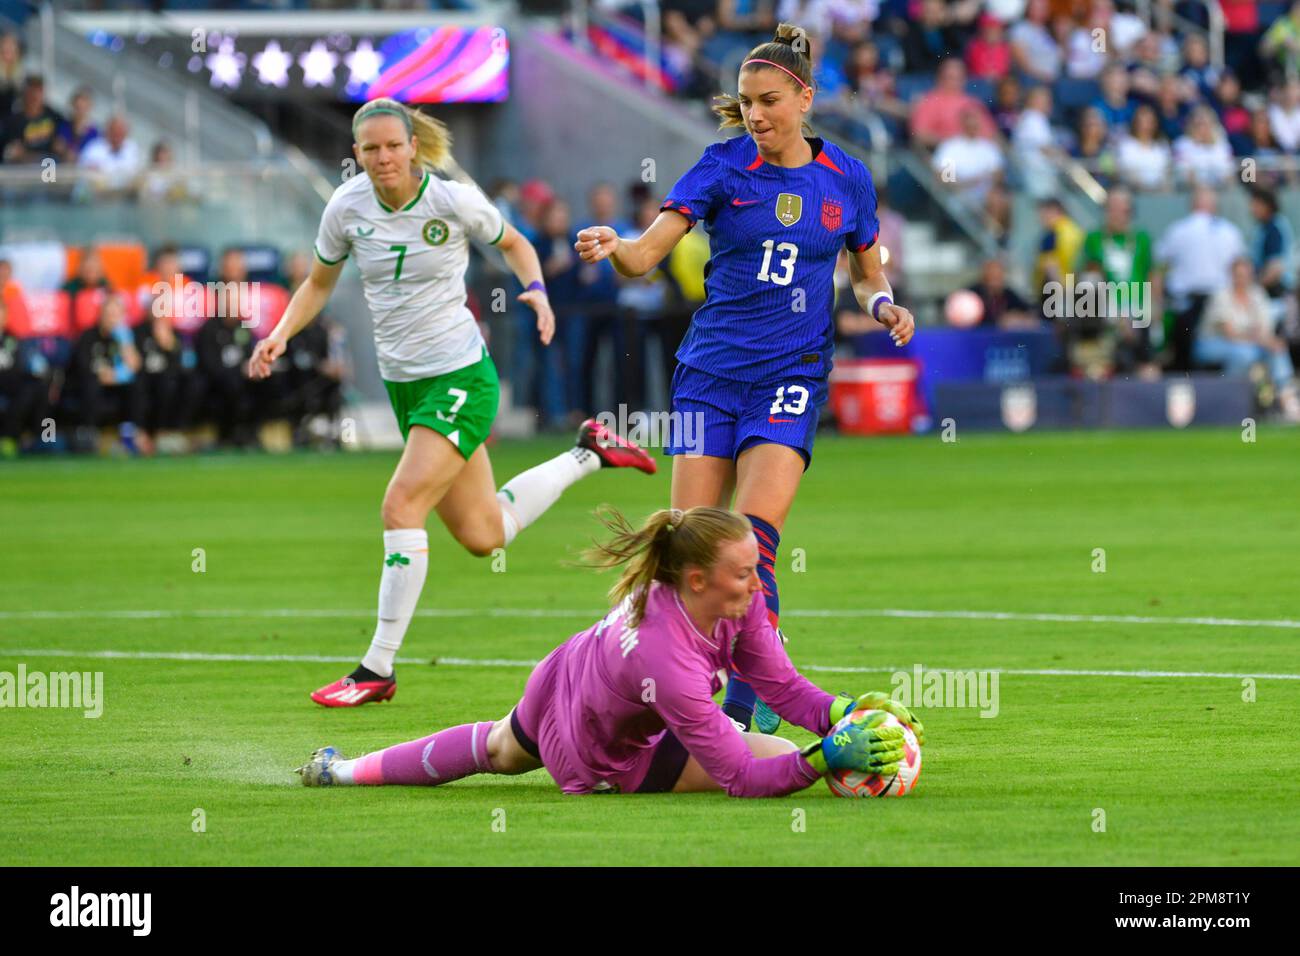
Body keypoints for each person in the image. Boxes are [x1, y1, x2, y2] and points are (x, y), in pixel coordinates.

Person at [247, 97, 657, 708]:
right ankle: (591, 452)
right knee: (484, 534)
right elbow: (320, 282)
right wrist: (281, 331)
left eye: (393, 145)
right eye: (370, 149)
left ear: (413, 146)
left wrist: (539, 294)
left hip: (461, 376)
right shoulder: (345, 207)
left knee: (400, 505)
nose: (383, 157)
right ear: (355, 155)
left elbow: (517, 243)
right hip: (406, 384)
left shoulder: (450, 199)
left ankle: (376, 669)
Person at [575, 24, 915, 733]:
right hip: (708, 377)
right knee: (688, 557)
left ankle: (747, 707)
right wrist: (616, 248)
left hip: (789, 375)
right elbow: (645, 258)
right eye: (746, 103)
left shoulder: (846, 177)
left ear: (803, 98)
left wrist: (882, 305)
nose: (756, 116)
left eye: (768, 102)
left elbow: (866, 273)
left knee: (750, 545)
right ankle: (672, 691)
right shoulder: (722, 168)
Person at [297, 506, 926, 797]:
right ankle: (346, 772)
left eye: (756, 569)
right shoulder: (670, 663)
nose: (757, 583)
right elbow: (739, 776)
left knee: (498, 749)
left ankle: (342, 771)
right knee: (779, 753)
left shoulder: (734, 600)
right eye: (743, 573)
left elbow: (784, 688)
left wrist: (845, 709)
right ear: (698, 581)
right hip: (599, 746)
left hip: (563, 672)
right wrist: (821, 758)